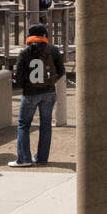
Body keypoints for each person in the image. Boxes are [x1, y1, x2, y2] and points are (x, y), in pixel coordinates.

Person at [12, 23, 65, 168]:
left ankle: (24, 159)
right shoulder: (53, 50)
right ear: (45, 35)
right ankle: (42, 158)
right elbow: (61, 71)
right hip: (49, 92)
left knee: (24, 125)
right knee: (46, 125)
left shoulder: (25, 52)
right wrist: (50, 82)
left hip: (30, 93)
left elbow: (18, 75)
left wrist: (26, 86)